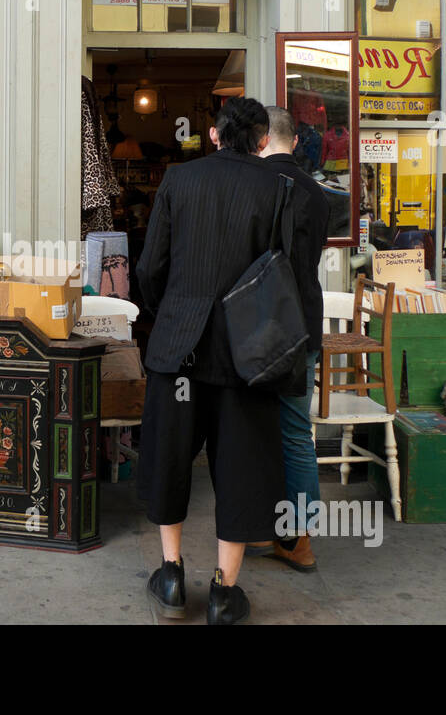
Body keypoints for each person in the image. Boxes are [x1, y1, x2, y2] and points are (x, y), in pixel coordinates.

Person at [136, 96, 309, 625]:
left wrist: (169, 317)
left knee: (169, 459)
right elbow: (288, 277)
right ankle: (223, 592)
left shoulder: (178, 181)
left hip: (179, 350)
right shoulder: (277, 187)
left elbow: (148, 268)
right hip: (247, 356)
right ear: (262, 142)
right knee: (241, 466)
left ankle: (170, 576)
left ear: (213, 135)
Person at [251, 105, 331, 572]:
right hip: (305, 321)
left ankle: (264, 528)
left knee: (254, 432)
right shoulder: (318, 195)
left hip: (259, 323)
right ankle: (299, 538)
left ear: (260, 139)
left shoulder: (254, 186)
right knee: (297, 434)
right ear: (295, 141)